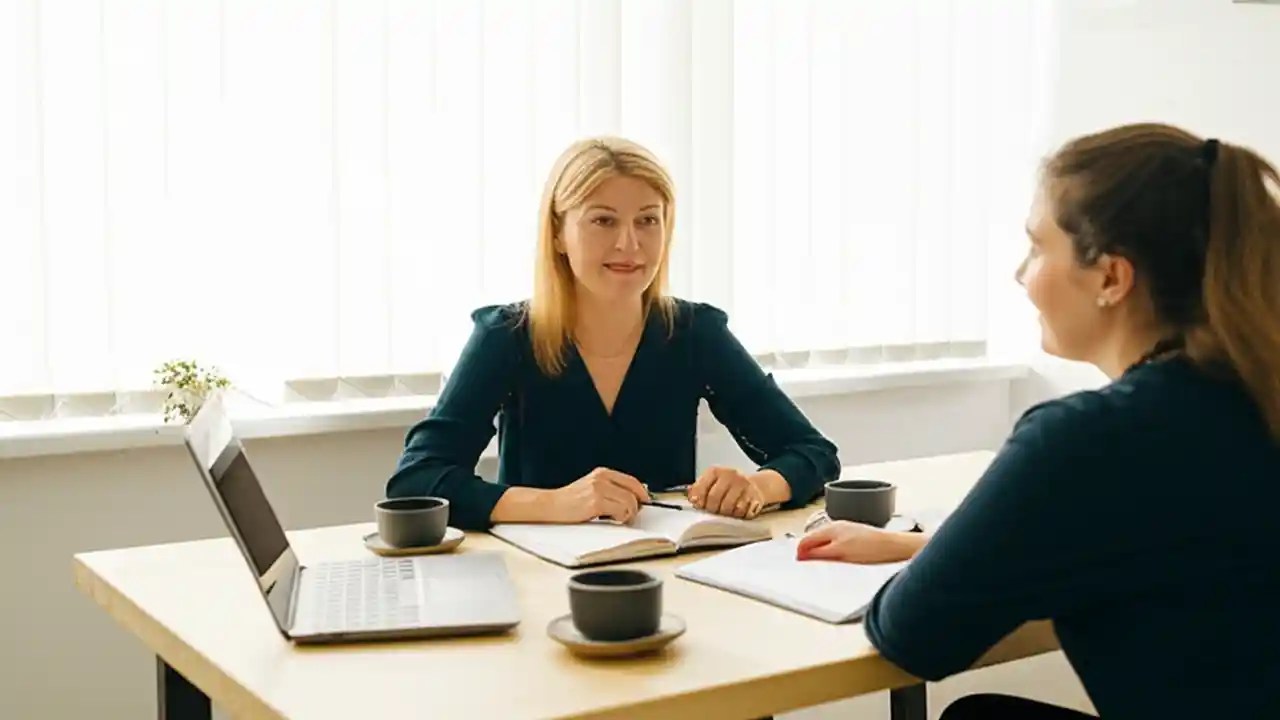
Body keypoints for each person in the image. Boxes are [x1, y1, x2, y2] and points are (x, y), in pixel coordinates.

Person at [797, 124, 1280, 719]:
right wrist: (919, 544)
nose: (1022, 275)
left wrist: (943, 561)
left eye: (1037, 247)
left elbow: (912, 635)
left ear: (1110, 277)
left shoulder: (1089, 441)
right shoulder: (1253, 394)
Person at [387, 136, 840, 531]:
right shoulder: (506, 336)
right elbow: (418, 479)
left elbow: (812, 453)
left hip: (669, 571)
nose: (629, 244)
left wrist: (757, 487)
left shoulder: (694, 332)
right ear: (559, 233)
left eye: (648, 220)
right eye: (603, 220)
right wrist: (555, 504)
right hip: (538, 575)